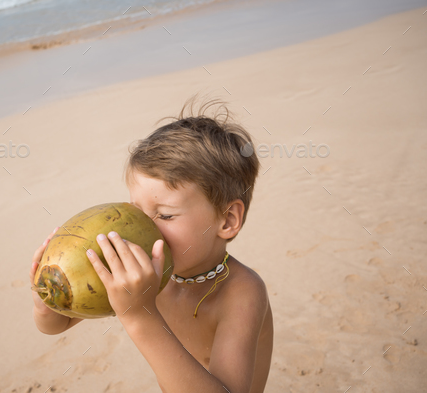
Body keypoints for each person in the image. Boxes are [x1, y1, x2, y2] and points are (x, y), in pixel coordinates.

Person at [30, 94, 273, 393]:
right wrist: (47, 304)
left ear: (227, 220)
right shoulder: (150, 276)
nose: (143, 227)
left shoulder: (242, 293)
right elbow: (57, 326)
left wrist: (138, 316)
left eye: (165, 215)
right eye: (136, 211)